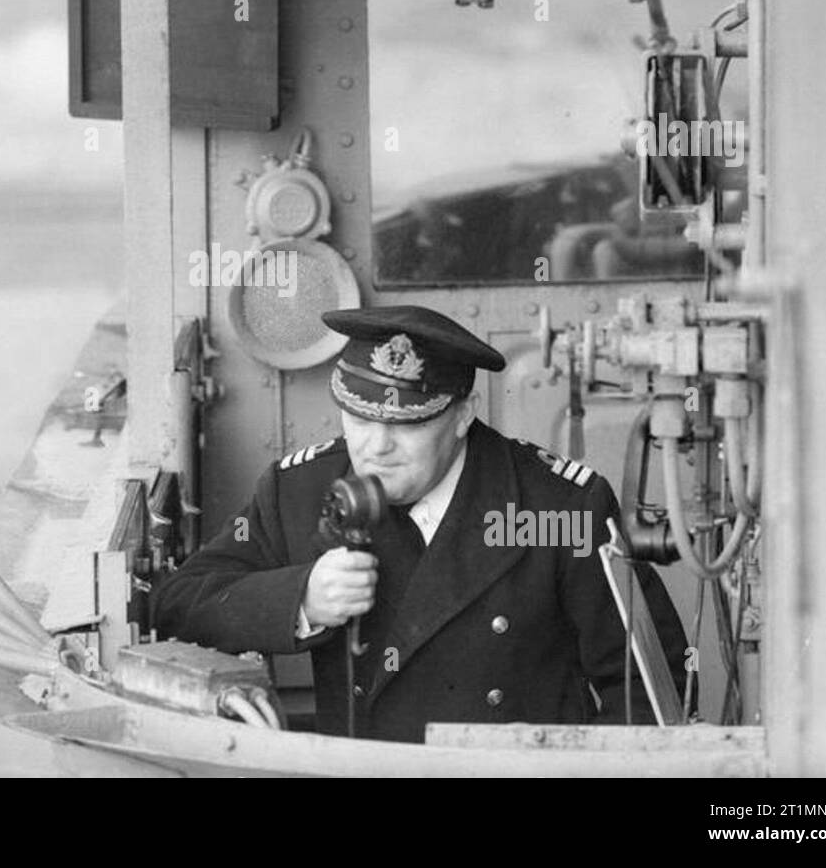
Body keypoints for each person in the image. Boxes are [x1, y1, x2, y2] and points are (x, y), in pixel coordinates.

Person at [152, 305, 689, 743]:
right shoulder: (299, 491)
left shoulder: (556, 508)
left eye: (405, 426)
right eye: (359, 418)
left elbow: (648, 683)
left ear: (461, 416)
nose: (376, 448)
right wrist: (301, 600)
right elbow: (179, 602)